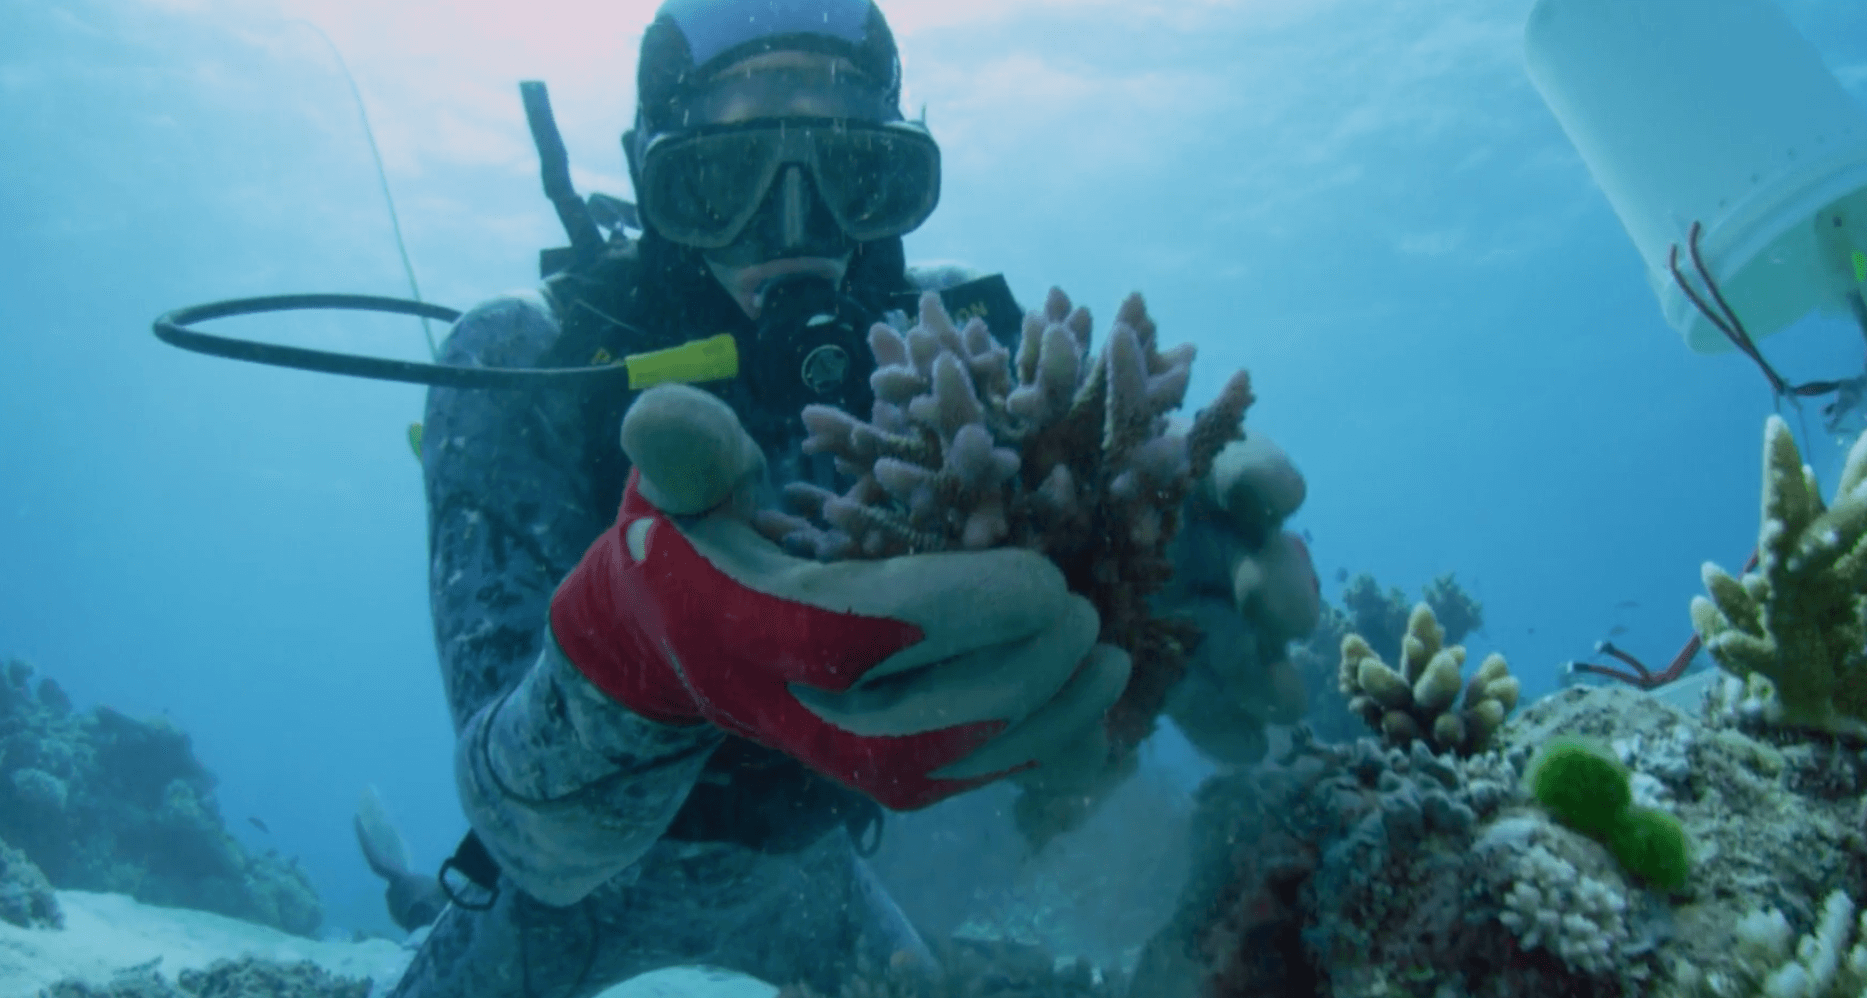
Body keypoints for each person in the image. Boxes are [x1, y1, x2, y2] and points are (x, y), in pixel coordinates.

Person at [390, 1, 1318, 994]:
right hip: (546, 919)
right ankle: (405, 890)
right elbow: (521, 832)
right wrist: (629, 653)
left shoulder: (957, 340)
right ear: (651, 174)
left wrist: (1138, 540)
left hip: (807, 883)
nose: (793, 232)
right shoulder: (522, 361)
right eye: (719, 182)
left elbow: (1080, 504)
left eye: (853, 177)